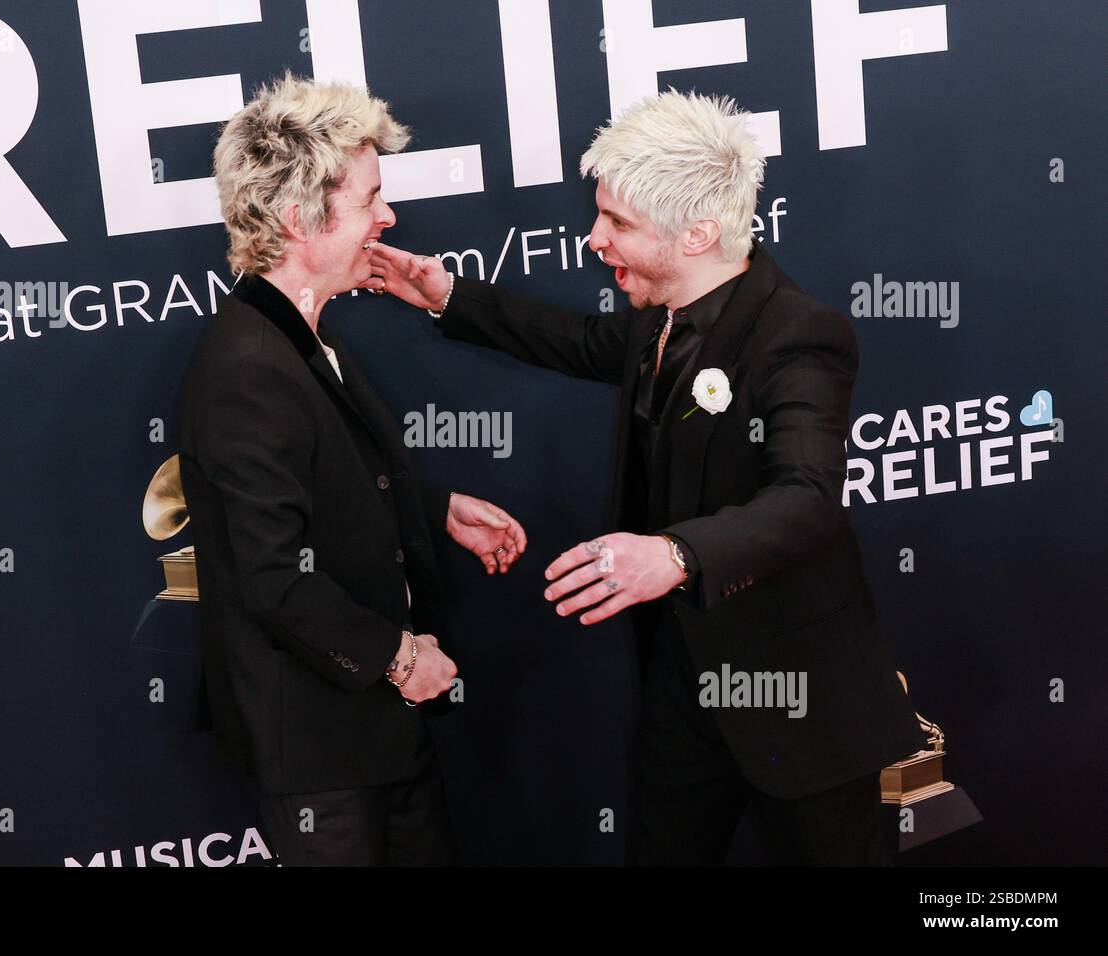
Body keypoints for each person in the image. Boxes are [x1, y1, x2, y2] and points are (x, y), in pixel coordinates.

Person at [366, 89, 923, 865]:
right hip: (683, 687)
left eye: (618, 224)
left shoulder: (799, 335)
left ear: (697, 233)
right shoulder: (656, 312)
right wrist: (446, 295)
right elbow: (582, 340)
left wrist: (675, 556)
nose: (593, 239)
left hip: (800, 709)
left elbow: (806, 499)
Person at [176, 73, 526, 866]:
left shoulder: (300, 332)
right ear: (300, 218)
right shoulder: (249, 368)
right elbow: (276, 580)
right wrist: (403, 659)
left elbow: (323, 483)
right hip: (319, 752)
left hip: (372, 730)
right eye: (371, 199)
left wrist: (429, 507)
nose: (389, 217)